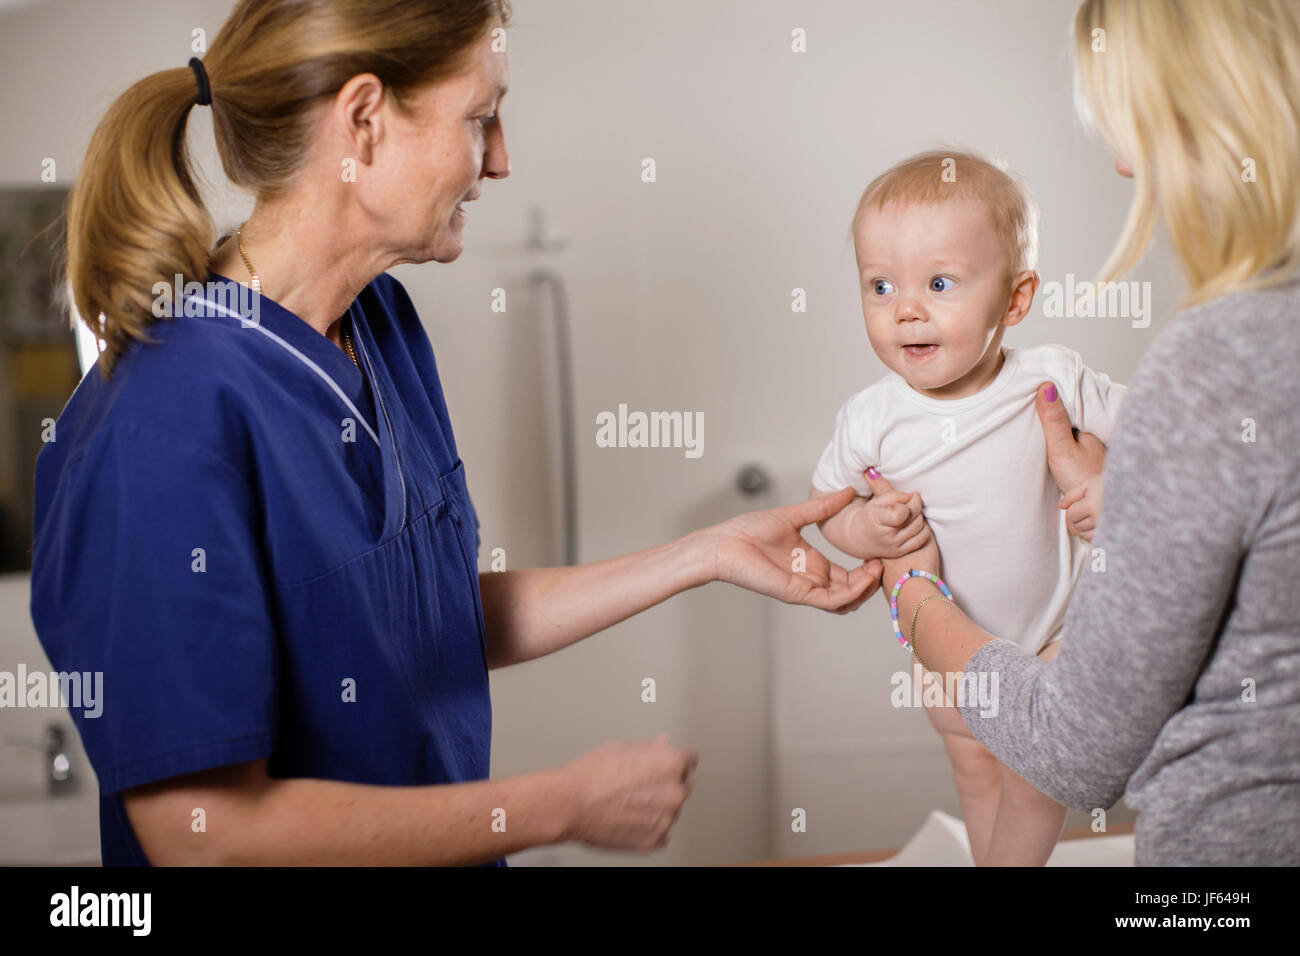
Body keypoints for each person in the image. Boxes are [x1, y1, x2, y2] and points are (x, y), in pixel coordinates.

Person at [30, 0, 881, 866]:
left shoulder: (381, 326)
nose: (501, 160)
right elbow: (203, 837)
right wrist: (557, 806)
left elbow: (423, 614)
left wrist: (709, 552)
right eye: (482, 118)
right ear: (363, 123)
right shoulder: (159, 426)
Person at [872, 0, 1300, 865]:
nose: (1119, 160)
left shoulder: (1213, 364)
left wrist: (912, 597)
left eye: (1136, 123)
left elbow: (1077, 749)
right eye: (879, 286)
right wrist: (1134, 505)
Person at [809, 149, 1126, 865]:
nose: (907, 309)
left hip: (1056, 639)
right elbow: (824, 507)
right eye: (880, 285)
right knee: (977, 774)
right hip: (947, 655)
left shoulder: (1049, 379)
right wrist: (864, 526)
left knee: (1037, 778)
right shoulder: (870, 419)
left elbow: (1160, 444)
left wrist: (1111, 489)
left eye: (939, 283)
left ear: (1015, 299)